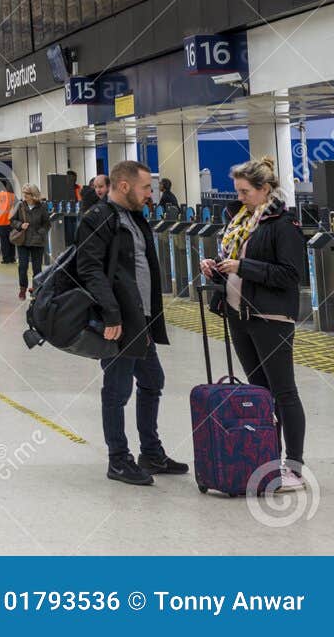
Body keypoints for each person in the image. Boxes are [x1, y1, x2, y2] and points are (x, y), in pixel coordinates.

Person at [73, 160, 186, 487]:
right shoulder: (97, 218)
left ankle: (150, 452)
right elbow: (89, 268)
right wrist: (111, 314)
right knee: (117, 389)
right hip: (119, 320)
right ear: (124, 186)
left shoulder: (135, 216)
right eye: (145, 187)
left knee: (152, 379)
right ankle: (118, 459)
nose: (150, 194)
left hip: (141, 318)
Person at [201, 156, 308, 491]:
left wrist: (242, 267)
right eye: (238, 191)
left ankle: (294, 467)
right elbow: (235, 266)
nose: (240, 197)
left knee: (283, 392)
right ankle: (266, 457)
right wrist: (216, 268)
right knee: (260, 394)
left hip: (270, 319)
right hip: (239, 316)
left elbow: (291, 275)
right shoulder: (240, 221)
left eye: (245, 191)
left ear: (265, 189)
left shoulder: (282, 224)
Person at [12, 184, 51, 299]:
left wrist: (40, 233)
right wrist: (20, 225)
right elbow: (12, 220)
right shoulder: (20, 205)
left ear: (34, 195)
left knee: (37, 268)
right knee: (22, 266)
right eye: (24, 193)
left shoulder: (42, 207)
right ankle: (22, 288)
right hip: (23, 241)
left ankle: (36, 289)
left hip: (37, 242)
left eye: (27, 194)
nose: (25, 196)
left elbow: (47, 224)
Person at [0, 182, 17, 265]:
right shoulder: (13, 196)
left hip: (0, 223)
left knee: (3, 241)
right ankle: (12, 258)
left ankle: (6, 259)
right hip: (12, 223)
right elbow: (17, 209)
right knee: (12, 240)